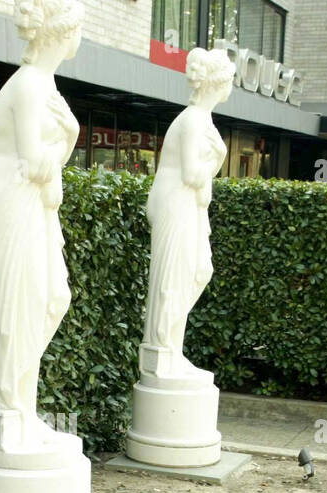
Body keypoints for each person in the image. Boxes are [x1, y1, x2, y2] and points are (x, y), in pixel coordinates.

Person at [0, 0, 84, 451]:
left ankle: (20, 408)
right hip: (12, 204)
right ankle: (2, 416)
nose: (81, 39)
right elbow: (36, 163)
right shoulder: (30, 85)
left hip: (28, 204)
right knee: (18, 307)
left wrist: (66, 137)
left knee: (49, 298)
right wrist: (71, 135)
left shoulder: (43, 84)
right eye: (78, 30)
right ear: (61, 34)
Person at [141, 45, 235, 378]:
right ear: (218, 84)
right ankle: (163, 351)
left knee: (197, 270)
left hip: (186, 202)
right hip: (176, 201)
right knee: (176, 274)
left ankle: (170, 348)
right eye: (229, 81)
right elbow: (193, 174)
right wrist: (218, 157)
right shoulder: (194, 120)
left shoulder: (201, 119)